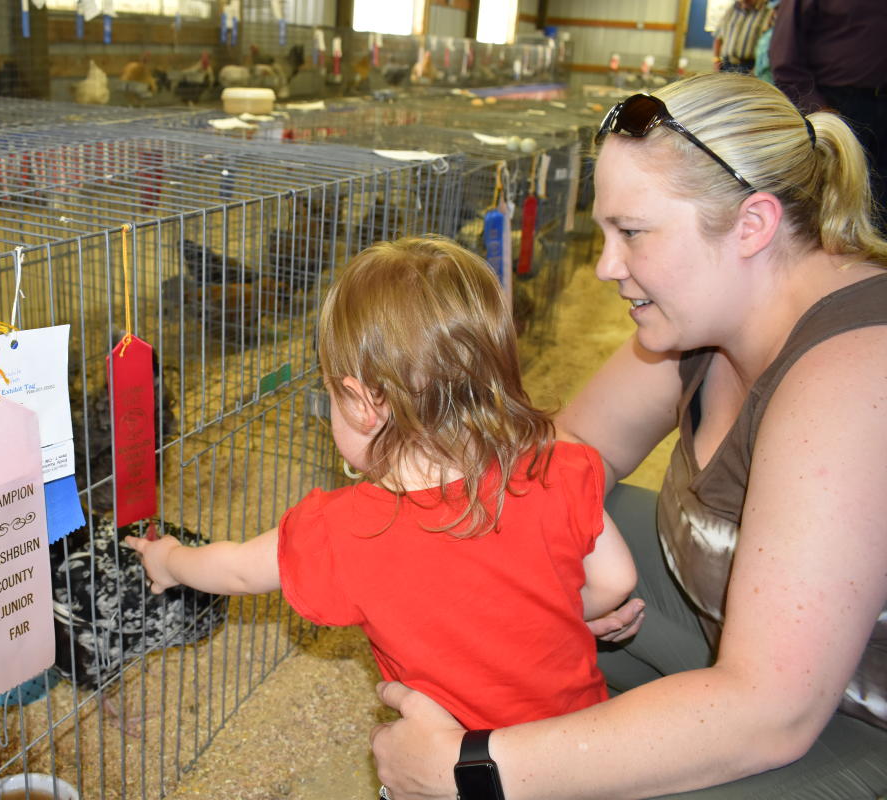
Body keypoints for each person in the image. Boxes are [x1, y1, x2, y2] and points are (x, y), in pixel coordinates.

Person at [371, 73, 887, 799]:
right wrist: (418, 483)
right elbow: (567, 455)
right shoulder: (705, 315)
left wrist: (476, 767)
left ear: (752, 225)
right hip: (735, 628)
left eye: (633, 233)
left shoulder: (852, 377)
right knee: (510, 540)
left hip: (846, 719)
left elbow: (772, 712)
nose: (606, 266)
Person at [126, 236, 637, 735]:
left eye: (329, 392)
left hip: (455, 765)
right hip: (578, 751)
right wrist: (549, 624)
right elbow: (614, 581)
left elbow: (237, 571)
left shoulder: (342, 531)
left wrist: (169, 560)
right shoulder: (559, 468)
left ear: (361, 402)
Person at [770, 0, 887, 229]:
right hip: (835, 106)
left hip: (881, 109)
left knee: (878, 211)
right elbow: (785, 58)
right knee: (832, 210)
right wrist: (821, 112)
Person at [711, 0, 775, 74]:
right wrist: (716, 59)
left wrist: (757, 69)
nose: (743, 3)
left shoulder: (768, 11)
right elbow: (718, 36)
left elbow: (772, 44)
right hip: (726, 65)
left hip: (750, 66)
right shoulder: (732, 9)